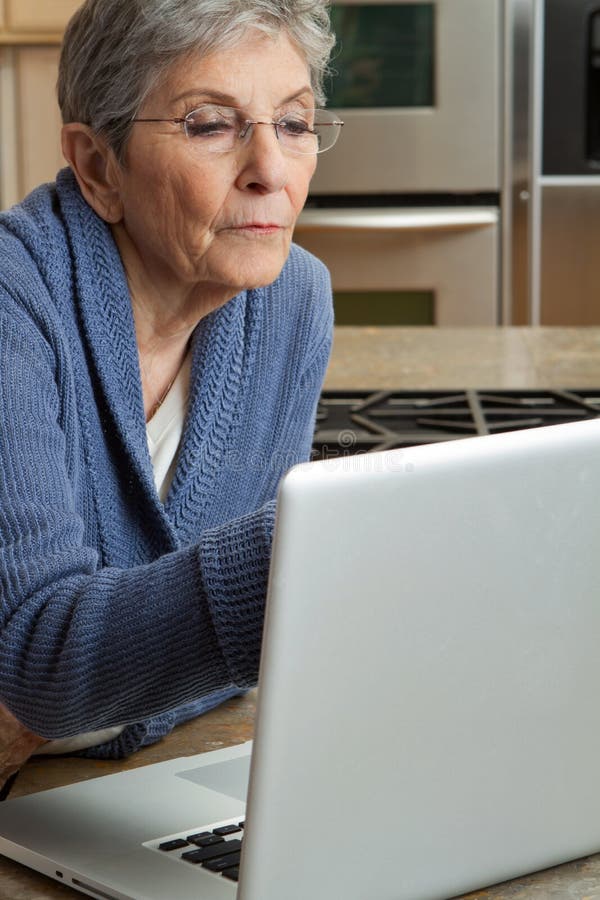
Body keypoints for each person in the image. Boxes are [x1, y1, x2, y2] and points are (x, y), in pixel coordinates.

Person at [0, 0, 342, 791]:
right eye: (209, 124)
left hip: (110, 782)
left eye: (293, 124)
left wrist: (90, 689)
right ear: (97, 167)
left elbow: (45, 691)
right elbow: (37, 659)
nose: (271, 169)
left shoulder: (293, 299)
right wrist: (304, 557)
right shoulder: (16, 300)